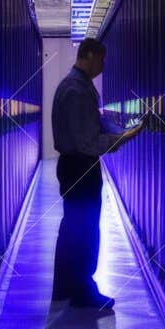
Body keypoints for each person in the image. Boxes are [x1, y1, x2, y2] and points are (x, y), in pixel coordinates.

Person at [49, 39, 141, 310]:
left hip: (73, 165)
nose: (103, 66)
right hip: (81, 166)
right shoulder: (77, 90)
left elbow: (92, 125)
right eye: (101, 60)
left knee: (72, 227)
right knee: (85, 229)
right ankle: (83, 293)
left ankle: (64, 287)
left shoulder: (75, 85)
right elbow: (87, 142)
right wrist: (121, 139)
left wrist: (113, 128)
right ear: (88, 55)